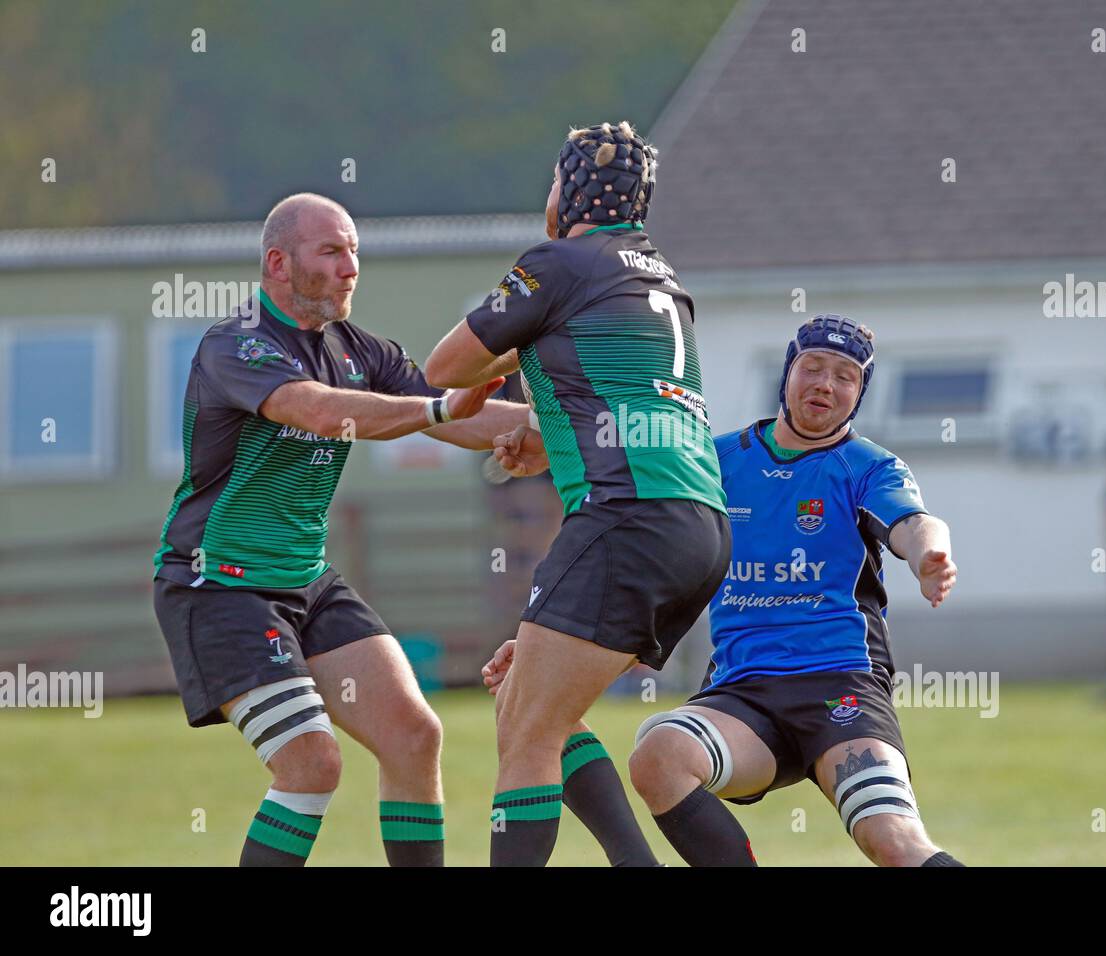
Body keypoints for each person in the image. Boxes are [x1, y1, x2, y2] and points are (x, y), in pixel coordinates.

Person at [488, 315, 965, 867]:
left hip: (839, 689)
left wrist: (932, 556)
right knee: (660, 753)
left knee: (893, 841)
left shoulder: (867, 467)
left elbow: (915, 522)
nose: (825, 385)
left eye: (845, 376)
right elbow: (627, 478)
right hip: (743, 699)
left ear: (859, 394)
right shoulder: (716, 459)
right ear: (787, 374)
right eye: (812, 368)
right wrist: (554, 650)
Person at [153, 193, 531, 866]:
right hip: (222, 588)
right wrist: (443, 407)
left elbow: (460, 416)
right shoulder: (237, 343)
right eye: (331, 251)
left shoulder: (361, 349)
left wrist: (562, 434)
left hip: (307, 582)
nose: (350, 266)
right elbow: (322, 413)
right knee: (311, 764)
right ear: (278, 263)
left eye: (354, 249)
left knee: (414, 736)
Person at [426, 121, 731, 867]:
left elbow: (446, 366)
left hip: (625, 519)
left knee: (525, 734)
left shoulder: (559, 263)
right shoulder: (660, 277)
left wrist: (496, 368)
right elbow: (616, 396)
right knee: (533, 708)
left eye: (555, 183)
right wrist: (546, 429)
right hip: (700, 527)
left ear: (568, 191)